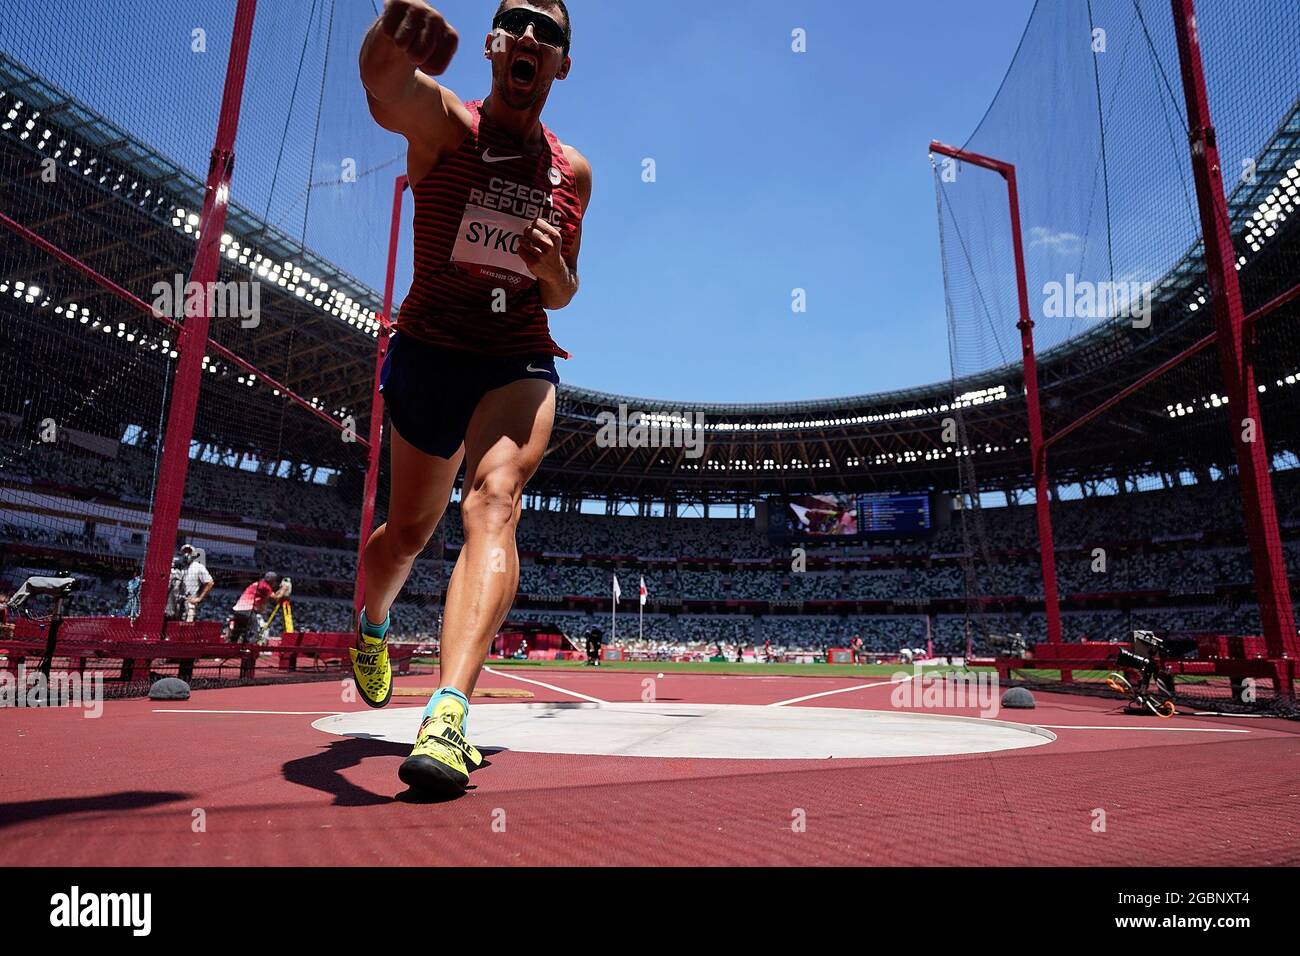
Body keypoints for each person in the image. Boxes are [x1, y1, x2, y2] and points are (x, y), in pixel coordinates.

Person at [352, 0, 589, 797]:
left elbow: (562, 293)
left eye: (548, 32)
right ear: (493, 44)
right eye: (516, 21)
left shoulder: (572, 173)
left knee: (493, 501)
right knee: (408, 535)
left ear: (561, 63)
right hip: (430, 351)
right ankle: (374, 624)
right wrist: (392, 38)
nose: (531, 36)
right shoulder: (448, 125)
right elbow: (385, 89)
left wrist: (549, 263)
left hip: (514, 356)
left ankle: (448, 714)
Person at [227, 572, 291, 644]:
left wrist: (280, 590)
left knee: (238, 631)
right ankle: (249, 650)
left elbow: (268, 598)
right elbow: (276, 598)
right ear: (272, 581)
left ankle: (231, 648)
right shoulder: (265, 586)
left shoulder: (257, 584)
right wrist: (284, 589)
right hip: (248, 609)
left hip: (238, 610)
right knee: (253, 632)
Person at [177, 545, 214, 623]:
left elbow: (210, 582)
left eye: (189, 552)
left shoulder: (198, 567)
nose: (186, 554)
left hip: (190, 601)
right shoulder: (181, 567)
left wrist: (199, 598)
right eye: (185, 552)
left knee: (187, 626)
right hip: (178, 602)